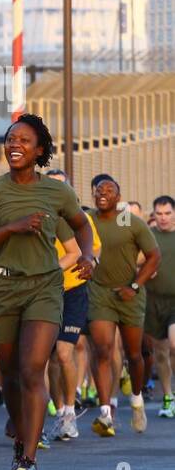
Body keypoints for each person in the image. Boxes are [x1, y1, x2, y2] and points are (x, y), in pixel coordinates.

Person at [0, 114, 95, 470]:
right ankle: (20, 428)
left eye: (24, 141)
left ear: (39, 150)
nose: (14, 146)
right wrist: (12, 227)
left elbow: (81, 224)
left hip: (44, 287)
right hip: (3, 289)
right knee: (9, 375)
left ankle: (28, 458)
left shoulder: (56, 192)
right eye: (10, 140)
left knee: (30, 369)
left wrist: (87, 256)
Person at [85, 174, 160, 436]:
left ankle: (137, 400)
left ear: (118, 196)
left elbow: (153, 256)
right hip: (99, 292)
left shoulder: (128, 220)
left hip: (129, 293)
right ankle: (105, 412)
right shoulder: (87, 220)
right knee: (103, 349)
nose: (103, 193)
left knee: (134, 354)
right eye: (99, 189)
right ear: (93, 194)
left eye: (110, 189)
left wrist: (135, 285)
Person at [43, 168, 96, 441]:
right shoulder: (38, 215)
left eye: (60, 187)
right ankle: (53, 409)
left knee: (64, 353)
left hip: (72, 291)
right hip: (43, 293)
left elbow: (90, 251)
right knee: (47, 358)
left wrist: (89, 260)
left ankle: (69, 410)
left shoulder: (79, 219)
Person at [145, 196, 175, 418]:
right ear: (153, 214)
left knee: (174, 344)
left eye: (167, 213)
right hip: (153, 300)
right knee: (161, 353)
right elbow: (134, 259)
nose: (163, 218)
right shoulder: (148, 236)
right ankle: (168, 397)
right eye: (159, 213)